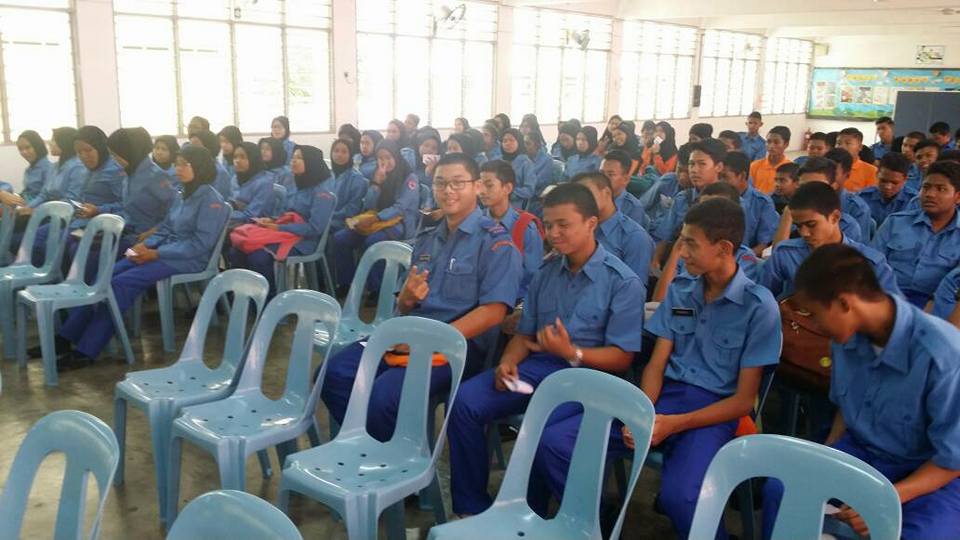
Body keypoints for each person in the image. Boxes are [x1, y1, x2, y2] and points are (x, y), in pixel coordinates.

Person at [541, 196, 780, 538]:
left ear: (724, 248)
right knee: (557, 441)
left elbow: (743, 402)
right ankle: (592, 521)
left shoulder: (758, 307)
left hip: (713, 415)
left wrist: (674, 424)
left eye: (691, 244)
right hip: (663, 399)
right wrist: (644, 412)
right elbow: (656, 364)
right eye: (682, 241)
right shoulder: (684, 289)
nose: (681, 253)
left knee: (679, 498)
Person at [448, 182, 645, 517]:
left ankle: (536, 512)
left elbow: (622, 358)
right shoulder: (547, 272)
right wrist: (508, 362)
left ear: (591, 224)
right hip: (539, 370)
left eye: (563, 225)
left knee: (541, 429)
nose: (553, 233)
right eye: (549, 225)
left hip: (590, 381)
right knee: (465, 402)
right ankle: (472, 506)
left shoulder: (622, 282)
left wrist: (573, 352)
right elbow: (525, 336)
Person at [761, 244, 960, 540]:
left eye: (815, 315)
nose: (814, 325)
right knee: (782, 489)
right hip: (864, 450)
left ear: (844, 304)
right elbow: (847, 407)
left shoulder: (942, 354)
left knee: (921, 534)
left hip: (930, 473)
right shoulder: (845, 337)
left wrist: (884, 498)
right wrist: (826, 455)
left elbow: (952, 459)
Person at [322, 152, 522, 440]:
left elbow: (494, 312)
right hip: (409, 335)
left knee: (384, 395)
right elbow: (404, 305)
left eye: (457, 183)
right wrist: (406, 298)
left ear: (477, 187)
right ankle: (371, 446)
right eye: (440, 183)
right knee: (334, 373)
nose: (447, 191)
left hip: (458, 347)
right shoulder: (428, 239)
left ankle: (395, 470)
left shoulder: (496, 244)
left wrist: (430, 342)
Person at [48, 145, 229, 364]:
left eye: (184, 164)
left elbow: (199, 245)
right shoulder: (183, 193)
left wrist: (156, 253)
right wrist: (144, 247)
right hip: (164, 253)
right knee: (105, 276)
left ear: (200, 167)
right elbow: (166, 228)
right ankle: (66, 337)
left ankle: (87, 350)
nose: (177, 168)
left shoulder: (211, 200)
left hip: (188, 260)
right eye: (177, 163)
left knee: (120, 284)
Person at [761, 182, 900, 300]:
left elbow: (889, 316)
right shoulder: (785, 253)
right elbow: (764, 298)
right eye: (798, 226)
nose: (804, 233)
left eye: (811, 224)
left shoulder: (869, 263)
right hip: (797, 326)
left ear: (835, 217)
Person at [228, 145, 335, 297]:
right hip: (284, 233)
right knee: (236, 251)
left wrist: (280, 229)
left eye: (299, 158)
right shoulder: (295, 186)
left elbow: (315, 228)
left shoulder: (322, 194)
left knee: (258, 257)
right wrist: (272, 220)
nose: (293, 161)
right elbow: (285, 214)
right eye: (293, 158)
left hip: (304, 241)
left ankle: (269, 300)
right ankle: (245, 297)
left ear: (311, 163)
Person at [331, 140, 419, 292]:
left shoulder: (409, 177)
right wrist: (376, 184)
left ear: (396, 157)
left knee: (373, 242)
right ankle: (347, 283)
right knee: (340, 239)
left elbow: (400, 208)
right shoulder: (378, 174)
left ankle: (378, 289)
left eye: (388, 157)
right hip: (376, 221)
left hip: (400, 223)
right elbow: (369, 205)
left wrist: (377, 218)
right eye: (380, 158)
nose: (384, 162)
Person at [871, 160, 960, 308]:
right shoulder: (895, 223)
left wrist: (933, 307)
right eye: (926, 187)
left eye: (941, 189)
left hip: (938, 305)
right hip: (888, 299)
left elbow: (956, 287)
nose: (930, 194)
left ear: (958, 196)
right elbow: (872, 266)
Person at [653, 183, 762, 302]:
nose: (705, 215)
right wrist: (677, 250)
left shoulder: (743, 257)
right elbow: (659, 301)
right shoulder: (688, 249)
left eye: (715, 210)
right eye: (701, 207)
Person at [653, 138, 728, 267]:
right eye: (691, 164)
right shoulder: (682, 198)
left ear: (719, 167)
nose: (694, 170)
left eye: (701, 164)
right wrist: (655, 262)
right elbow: (663, 235)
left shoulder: (732, 204)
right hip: (677, 268)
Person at [478, 160, 543, 300]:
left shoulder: (526, 227)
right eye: (479, 185)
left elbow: (533, 278)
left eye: (489, 185)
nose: (482, 191)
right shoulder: (475, 221)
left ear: (507, 188)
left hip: (513, 299)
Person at [574, 172, 654, 282]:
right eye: (577, 198)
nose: (582, 202)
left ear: (606, 193)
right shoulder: (577, 229)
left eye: (587, 195)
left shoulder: (634, 237)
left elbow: (634, 288)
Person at [721, 151, 779, 255]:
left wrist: (741, 260)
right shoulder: (714, 197)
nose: (719, 182)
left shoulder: (763, 203)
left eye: (724, 177)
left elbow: (763, 244)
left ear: (742, 176)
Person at [823, 147, 875, 237]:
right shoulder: (809, 199)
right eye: (824, 173)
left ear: (847, 175)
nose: (828, 178)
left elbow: (858, 247)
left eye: (834, 174)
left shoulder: (858, 209)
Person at [858, 152, 917, 227]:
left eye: (894, 183)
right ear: (877, 174)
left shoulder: (914, 202)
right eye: (883, 181)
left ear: (905, 179)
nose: (888, 187)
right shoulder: (863, 197)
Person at [324, 138, 370, 233]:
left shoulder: (356, 178)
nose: (339, 154)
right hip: (323, 219)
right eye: (336, 151)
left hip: (342, 222)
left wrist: (329, 216)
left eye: (344, 152)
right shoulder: (327, 175)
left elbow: (353, 208)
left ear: (351, 155)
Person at [600, 150, 650, 229]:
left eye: (611, 174)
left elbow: (630, 240)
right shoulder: (592, 198)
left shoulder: (633, 208)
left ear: (625, 179)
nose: (603, 178)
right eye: (601, 173)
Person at [227, 142, 274, 225]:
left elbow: (251, 216)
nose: (237, 161)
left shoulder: (264, 183)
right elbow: (231, 203)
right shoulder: (235, 178)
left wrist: (225, 213)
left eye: (243, 157)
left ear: (253, 158)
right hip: (234, 221)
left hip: (254, 227)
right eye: (235, 157)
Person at [189, 129, 232, 199]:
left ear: (208, 146)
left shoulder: (220, 173)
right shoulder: (193, 168)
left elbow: (218, 202)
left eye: (195, 145)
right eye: (190, 146)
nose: (190, 150)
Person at [499, 128, 536, 208]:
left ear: (519, 142)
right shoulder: (498, 161)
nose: (507, 143)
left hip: (516, 205)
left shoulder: (526, 163)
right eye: (504, 141)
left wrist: (508, 192)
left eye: (511, 140)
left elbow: (529, 190)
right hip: (496, 202)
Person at [748, 125, 791, 195]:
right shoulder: (754, 166)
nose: (771, 146)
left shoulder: (789, 168)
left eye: (776, 142)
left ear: (786, 144)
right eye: (768, 142)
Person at [836, 127, 878, 192]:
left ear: (860, 147)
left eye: (848, 143)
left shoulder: (871, 171)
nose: (841, 147)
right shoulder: (829, 166)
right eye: (838, 143)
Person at [523, 133, 554, 198]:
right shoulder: (522, 158)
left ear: (537, 145)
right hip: (522, 194)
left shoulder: (546, 160)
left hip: (537, 197)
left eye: (528, 143)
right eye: (523, 144)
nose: (524, 146)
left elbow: (540, 182)